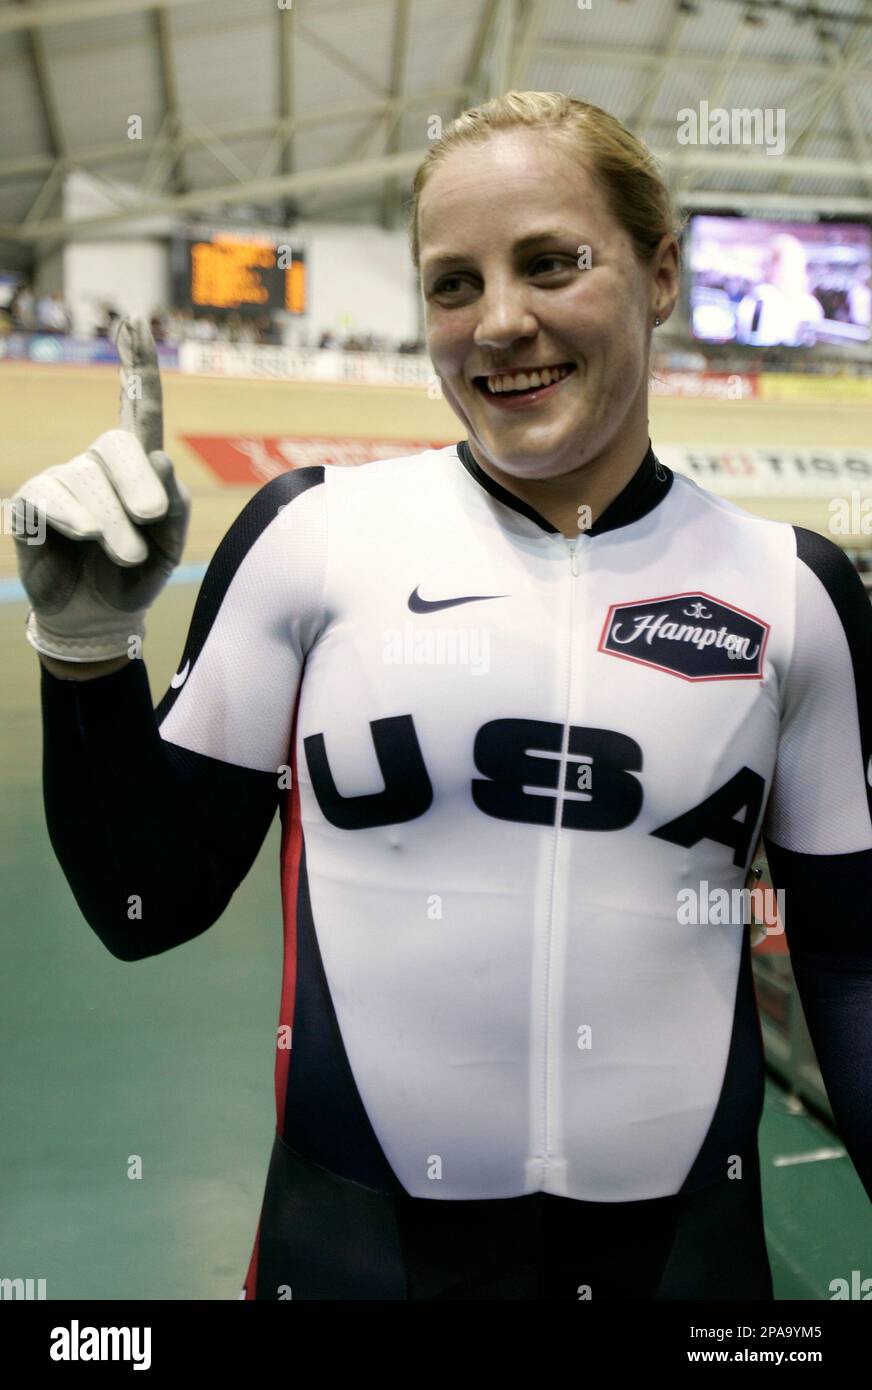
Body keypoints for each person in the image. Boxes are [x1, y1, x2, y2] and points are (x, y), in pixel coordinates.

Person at [11, 91, 872, 1302]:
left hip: (685, 1274)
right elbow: (144, 906)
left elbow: (848, 962)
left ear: (662, 272)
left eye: (550, 263)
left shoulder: (796, 593)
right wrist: (88, 649)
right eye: (451, 284)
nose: (499, 322)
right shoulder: (311, 538)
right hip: (353, 1259)